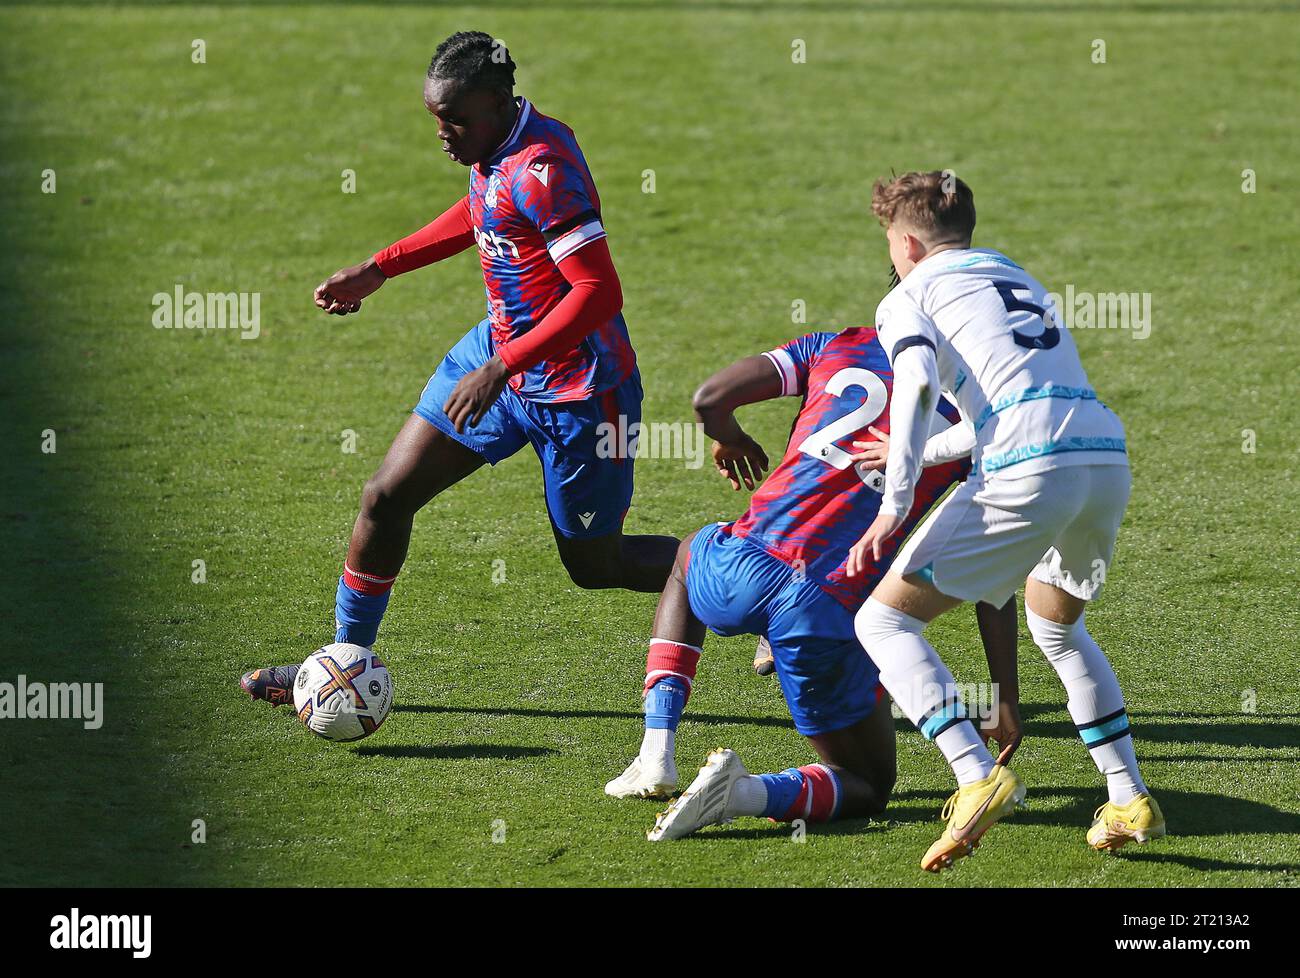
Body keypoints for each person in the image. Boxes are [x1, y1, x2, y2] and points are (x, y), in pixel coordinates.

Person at [242, 32, 676, 705]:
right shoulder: (496, 149)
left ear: (500, 103)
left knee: (597, 565)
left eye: (457, 119)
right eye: (436, 117)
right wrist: (381, 268)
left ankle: (770, 580)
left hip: (579, 394)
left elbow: (599, 293)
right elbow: (483, 209)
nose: (444, 134)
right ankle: (343, 661)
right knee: (385, 498)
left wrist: (503, 367)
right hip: (498, 359)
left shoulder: (544, 167)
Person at [848, 170, 1163, 871]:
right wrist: (923, 452)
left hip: (1031, 467)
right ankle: (1126, 795)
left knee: (883, 622)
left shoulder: (909, 294)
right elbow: (1011, 404)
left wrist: (895, 502)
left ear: (905, 242)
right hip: (1104, 458)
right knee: (1056, 623)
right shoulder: (1014, 274)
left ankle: (974, 775)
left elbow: (921, 384)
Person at [602, 327, 1019, 841]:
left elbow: (709, 399)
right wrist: (1004, 693)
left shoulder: (840, 344)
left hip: (737, 566)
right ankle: (746, 793)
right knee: (867, 782)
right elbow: (993, 574)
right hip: (825, 606)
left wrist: (730, 438)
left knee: (689, 554)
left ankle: (655, 752)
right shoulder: (988, 414)